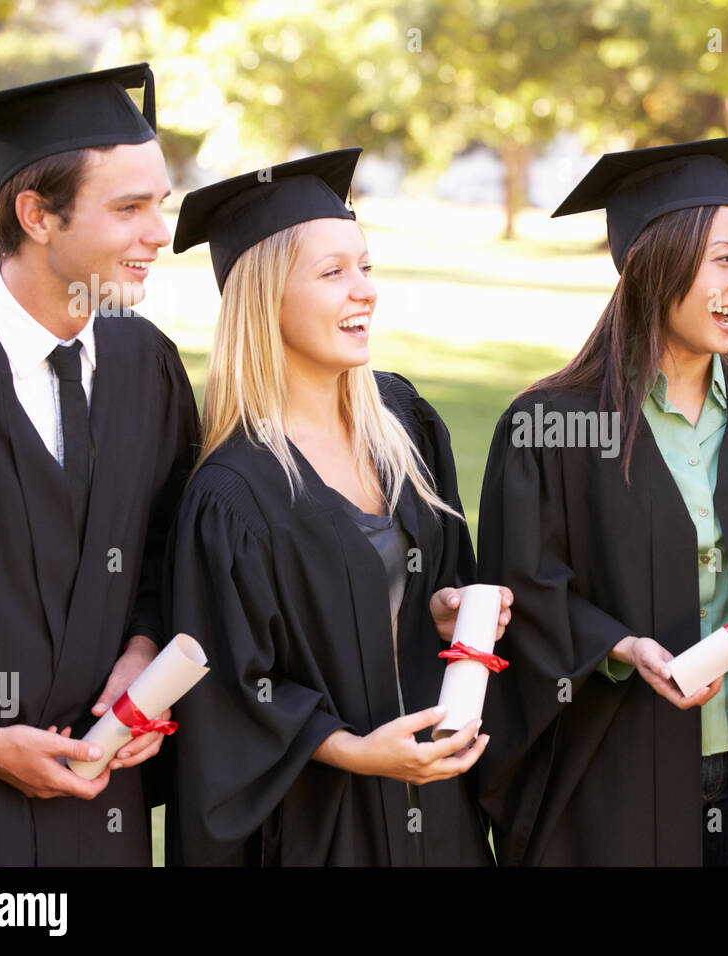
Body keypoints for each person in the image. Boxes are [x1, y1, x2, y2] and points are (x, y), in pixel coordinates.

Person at [476, 133, 728, 866]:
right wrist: (618, 647)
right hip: (614, 782)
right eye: (724, 258)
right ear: (654, 264)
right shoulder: (550, 426)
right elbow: (522, 593)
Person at [165, 149, 510, 866]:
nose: (365, 291)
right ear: (265, 301)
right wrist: (354, 750)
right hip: (323, 827)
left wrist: (446, 608)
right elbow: (229, 694)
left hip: (436, 806)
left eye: (366, 267)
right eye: (333, 273)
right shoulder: (231, 496)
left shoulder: (403, 422)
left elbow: (436, 582)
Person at [0, 64, 200, 865]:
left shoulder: (146, 365)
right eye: (129, 209)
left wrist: (145, 654)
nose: (159, 235)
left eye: (161, 207)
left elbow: (171, 547)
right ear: (36, 214)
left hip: (103, 803)